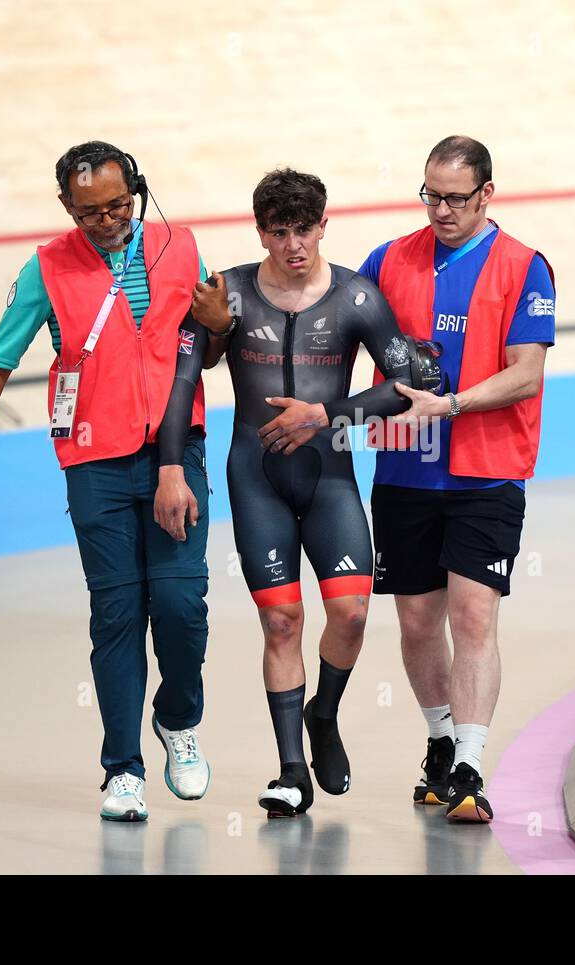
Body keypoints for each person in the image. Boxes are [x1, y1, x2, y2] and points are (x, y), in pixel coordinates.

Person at [0, 141, 233, 822]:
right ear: (68, 207)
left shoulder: (179, 247)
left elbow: (208, 345)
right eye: (91, 212)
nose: (107, 221)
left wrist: (219, 327)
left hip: (174, 453)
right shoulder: (47, 267)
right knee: (119, 614)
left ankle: (178, 720)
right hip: (94, 464)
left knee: (183, 606)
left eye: (118, 206)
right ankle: (123, 768)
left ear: (137, 192)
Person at [203, 168, 430, 817]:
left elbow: (403, 384)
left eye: (305, 229)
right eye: (280, 232)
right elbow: (200, 355)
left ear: (323, 225)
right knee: (281, 620)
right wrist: (217, 330)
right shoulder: (233, 291)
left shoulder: (358, 296)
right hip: (257, 478)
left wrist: (324, 417)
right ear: (262, 232)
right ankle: (291, 771)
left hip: (330, 476)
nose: (294, 244)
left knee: (353, 615)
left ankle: (323, 712)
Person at [359, 135, 555, 823]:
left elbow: (527, 371)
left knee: (474, 615)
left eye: (455, 198)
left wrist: (453, 403)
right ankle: (440, 739)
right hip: (404, 470)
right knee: (417, 622)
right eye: (430, 195)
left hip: (487, 471)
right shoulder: (388, 260)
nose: (440, 210)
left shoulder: (524, 266)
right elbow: (333, 321)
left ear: (487, 194)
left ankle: (470, 763)